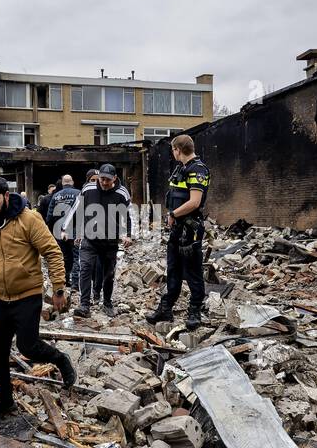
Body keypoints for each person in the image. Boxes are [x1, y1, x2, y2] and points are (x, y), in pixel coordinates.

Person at [0, 174, 75, 423]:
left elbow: (52, 252)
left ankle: (60, 359)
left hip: (28, 295)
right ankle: (5, 401)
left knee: (28, 346)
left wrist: (59, 288)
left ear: (6, 196)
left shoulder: (28, 219)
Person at [145, 134, 209, 329]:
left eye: (173, 150)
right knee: (173, 270)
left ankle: (195, 312)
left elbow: (195, 202)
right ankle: (165, 309)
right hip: (177, 230)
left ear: (177, 150)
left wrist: (172, 214)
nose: (172, 153)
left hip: (190, 230)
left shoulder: (198, 170)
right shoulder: (182, 169)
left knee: (193, 273)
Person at [71, 163, 133, 318]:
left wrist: (128, 235)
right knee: (85, 269)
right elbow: (78, 210)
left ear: (115, 179)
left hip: (110, 241)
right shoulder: (88, 189)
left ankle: (107, 302)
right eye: (102, 179)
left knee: (108, 273)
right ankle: (84, 304)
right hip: (89, 239)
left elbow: (129, 215)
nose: (104, 183)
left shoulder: (122, 193)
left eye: (108, 180)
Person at [45, 175, 81, 290]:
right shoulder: (79, 193)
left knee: (64, 256)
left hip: (59, 231)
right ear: (72, 182)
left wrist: (50, 230)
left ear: (62, 183)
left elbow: (50, 216)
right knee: (76, 257)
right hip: (75, 231)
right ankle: (75, 283)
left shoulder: (56, 196)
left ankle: (65, 280)